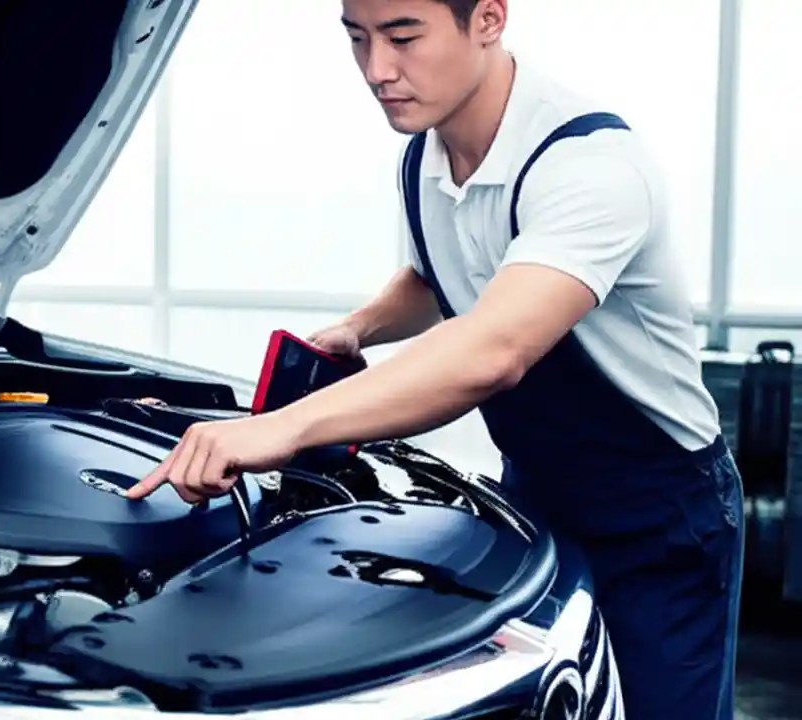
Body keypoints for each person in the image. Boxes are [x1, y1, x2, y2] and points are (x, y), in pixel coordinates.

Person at [124, 0, 744, 717]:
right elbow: (438, 275)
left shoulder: (592, 168)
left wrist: (286, 427)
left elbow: (494, 349)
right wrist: (360, 328)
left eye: (403, 37)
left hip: (660, 510)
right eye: (357, 39)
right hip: (536, 485)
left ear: (487, 19)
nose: (376, 71)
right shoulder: (422, 156)